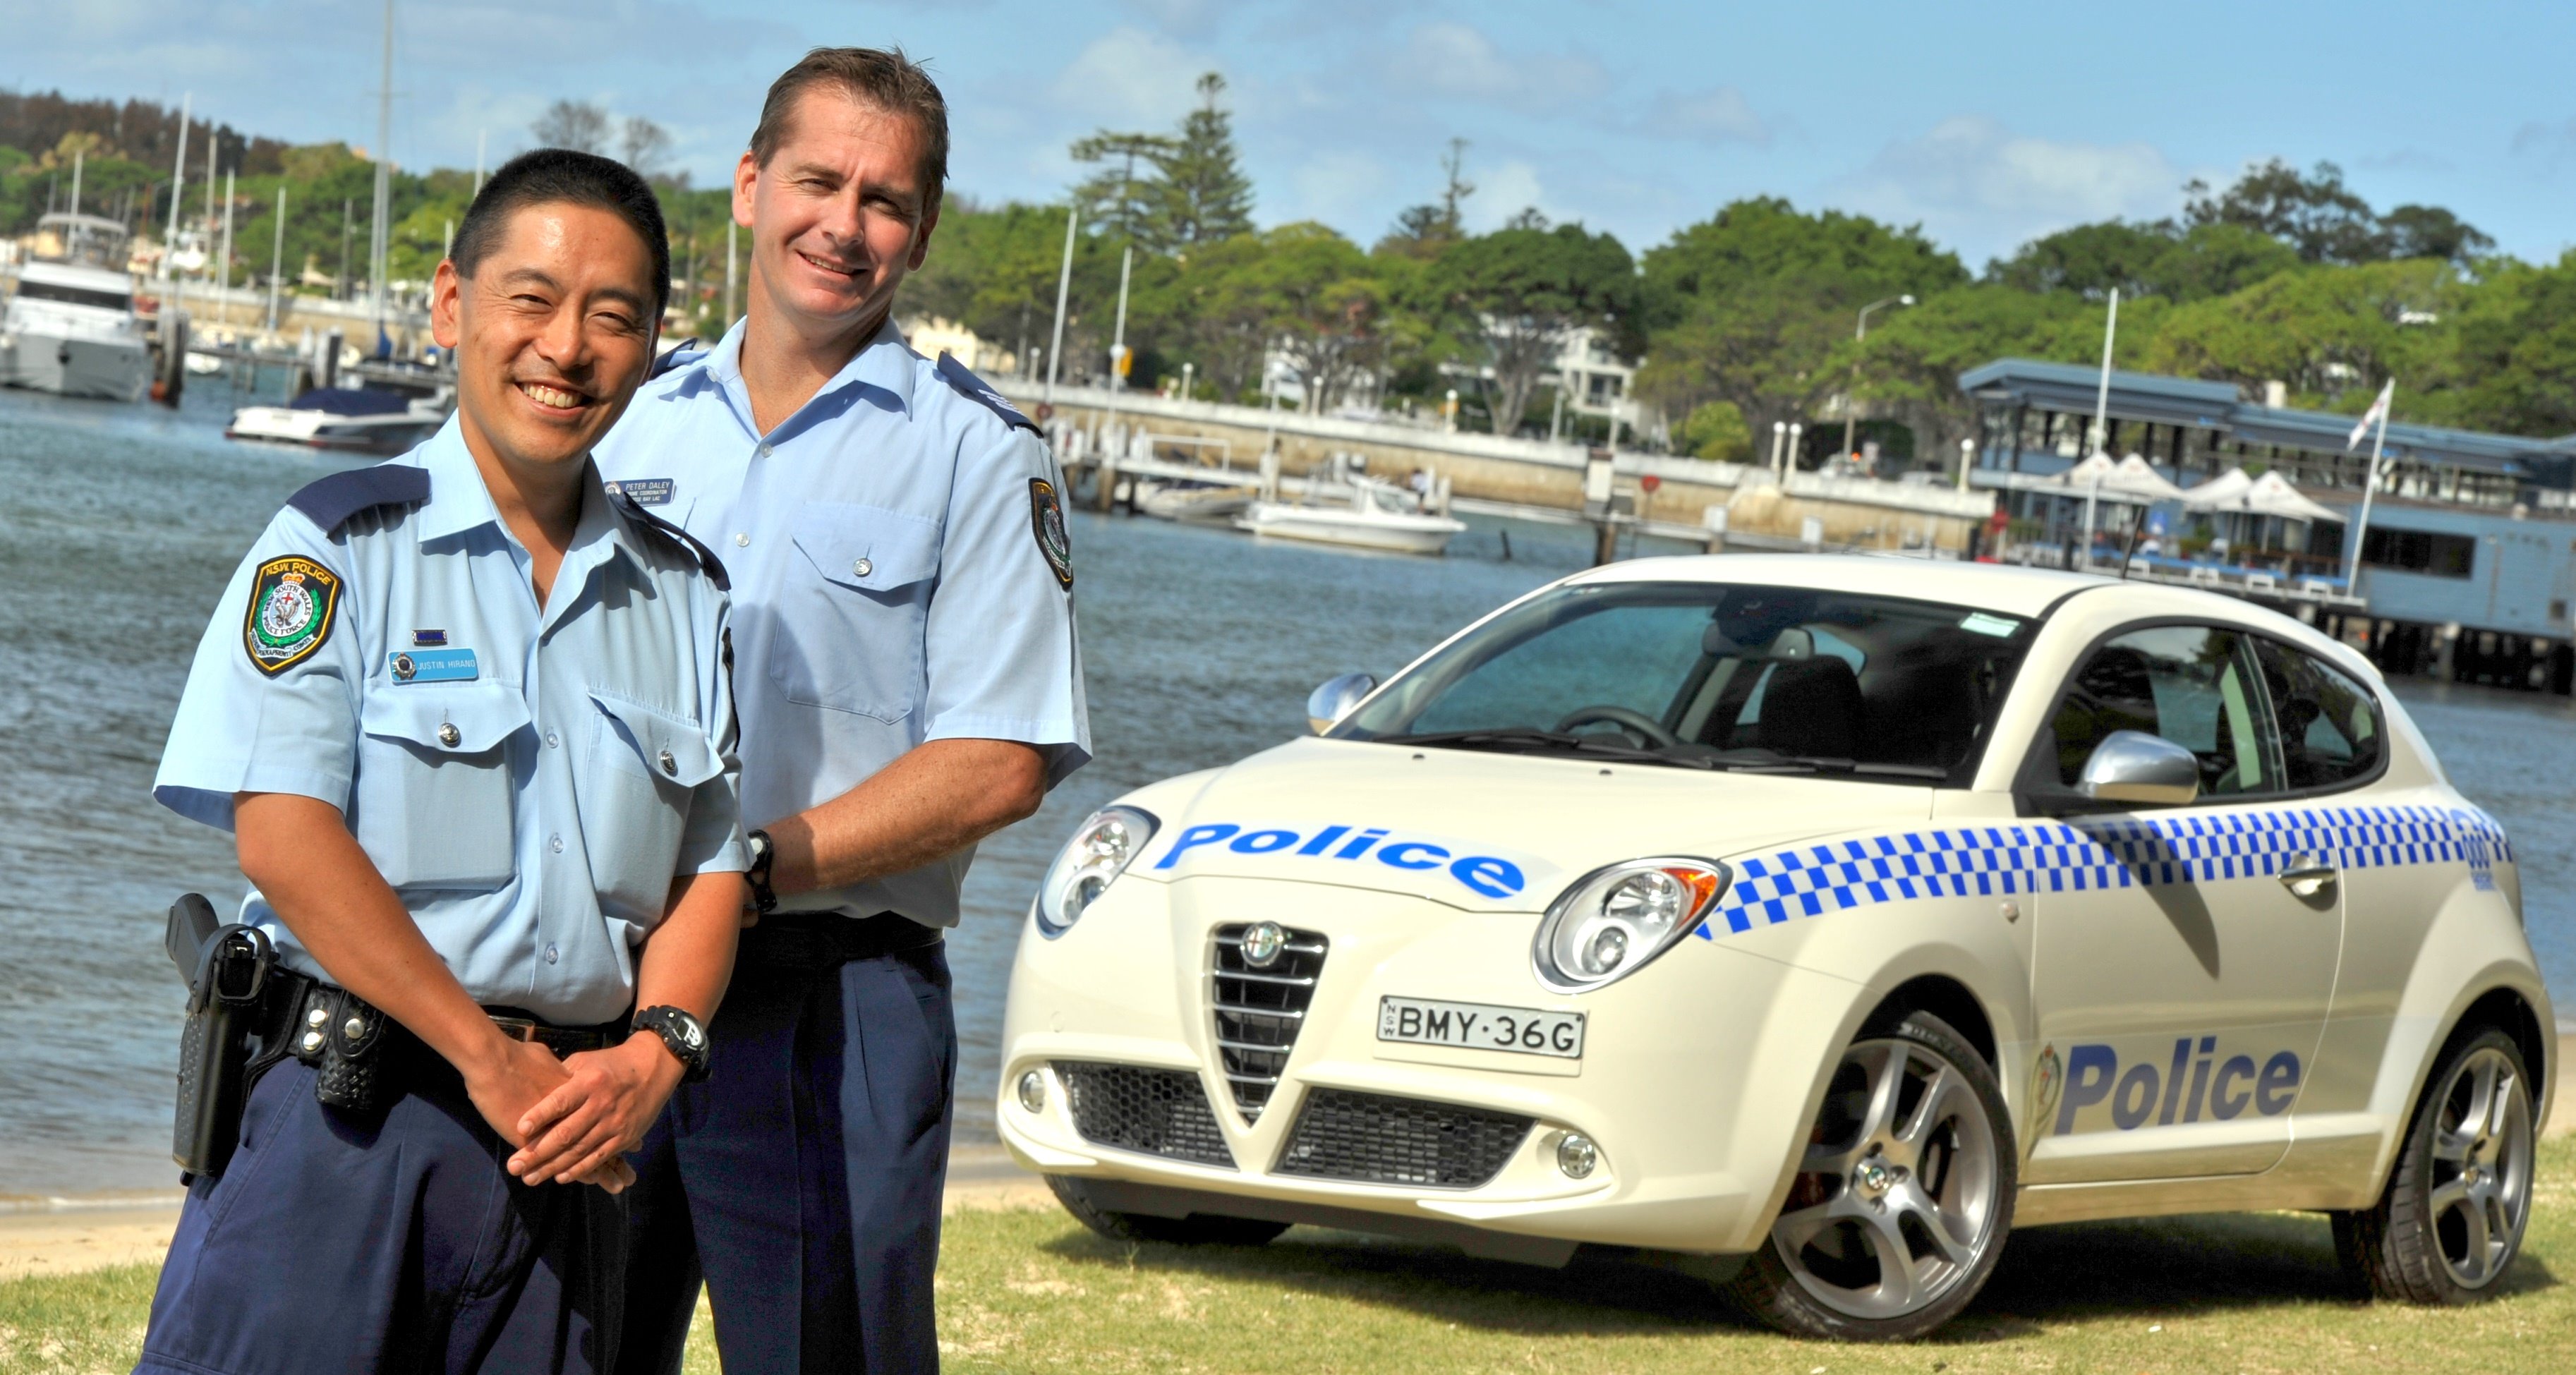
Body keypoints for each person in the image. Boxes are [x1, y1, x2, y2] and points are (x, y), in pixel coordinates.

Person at [138, 150, 746, 1375]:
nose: (566, 347)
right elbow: (285, 837)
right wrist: (484, 1056)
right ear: (452, 304)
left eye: (612, 316)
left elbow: (713, 864)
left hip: (566, 1153)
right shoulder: (337, 547)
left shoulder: (684, 594)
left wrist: (657, 1053)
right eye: (532, 299)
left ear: (651, 346)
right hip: (349, 1132)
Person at [595, 47, 1089, 1374]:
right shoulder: (629, 423)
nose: (844, 224)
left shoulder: (978, 453)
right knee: (569, 1341)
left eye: (884, 201)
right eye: (818, 181)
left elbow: (1002, 758)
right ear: (749, 186)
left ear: (920, 233)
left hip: (832, 995)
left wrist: (747, 873)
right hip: (606, 978)